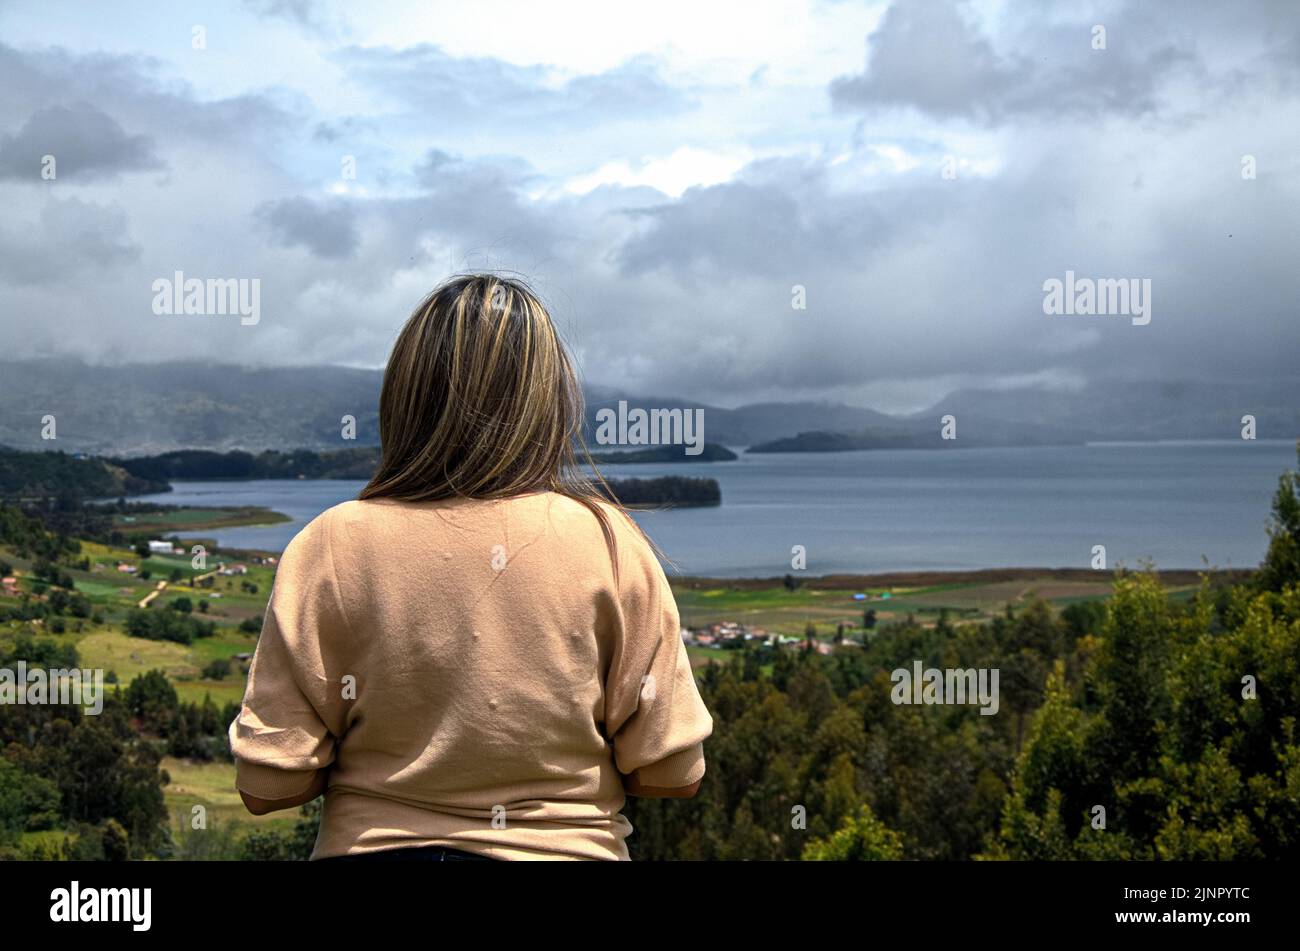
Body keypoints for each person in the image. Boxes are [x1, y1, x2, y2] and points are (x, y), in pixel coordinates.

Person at [229, 274, 713, 860]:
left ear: (404, 397)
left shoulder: (331, 543)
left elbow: (268, 785)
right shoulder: (609, 543)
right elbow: (673, 772)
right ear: (550, 402)